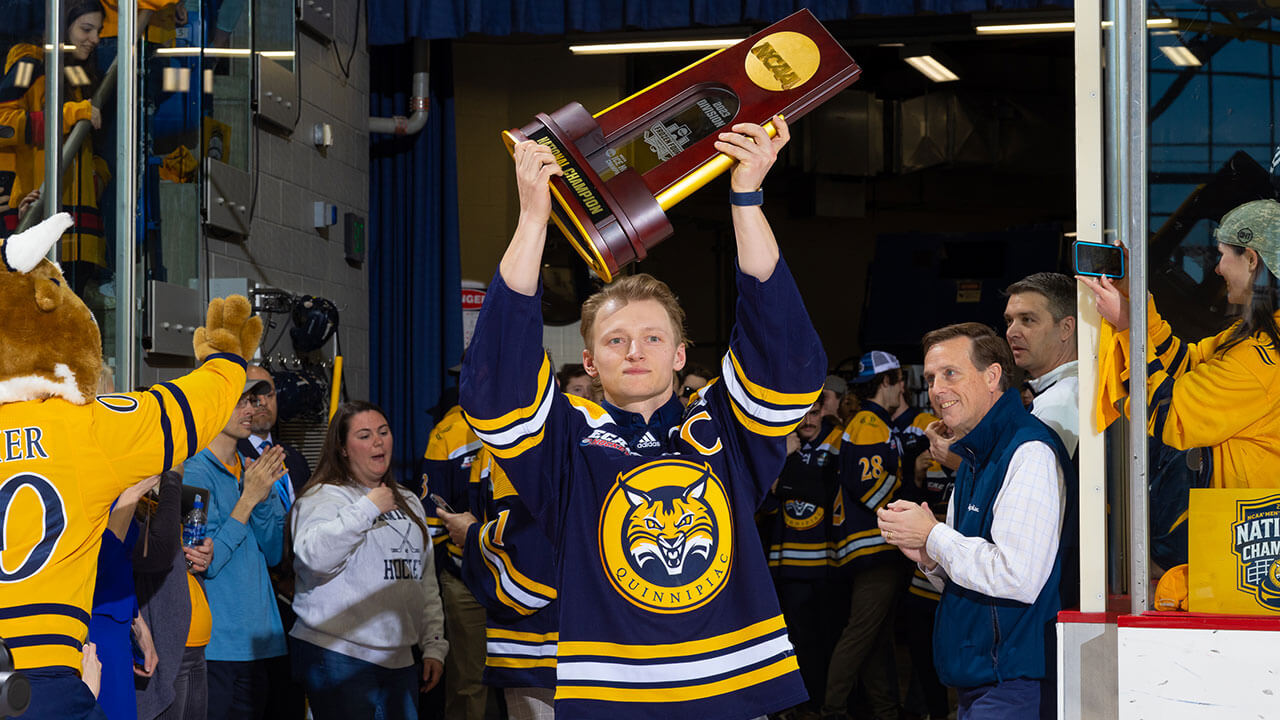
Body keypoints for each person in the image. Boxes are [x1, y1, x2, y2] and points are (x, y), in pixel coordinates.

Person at [460, 116, 825, 718]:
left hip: (735, 687)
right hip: (612, 694)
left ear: (681, 355)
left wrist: (747, 198)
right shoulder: (569, 444)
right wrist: (532, 219)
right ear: (590, 362)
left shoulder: (724, 429)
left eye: (654, 338)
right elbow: (497, 388)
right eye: (617, 340)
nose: (635, 350)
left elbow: (784, 355)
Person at [877, 322, 1075, 719]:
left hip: (1015, 683)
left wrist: (934, 535)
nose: (936, 389)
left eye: (950, 373)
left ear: (992, 376)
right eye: (931, 377)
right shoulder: (974, 456)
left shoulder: (1028, 450)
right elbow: (969, 570)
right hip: (985, 680)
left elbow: (1016, 575)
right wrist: (928, 555)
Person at [1080, 199, 1280, 488]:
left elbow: (1168, 412)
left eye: (1222, 256)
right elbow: (1185, 366)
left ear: (1251, 259)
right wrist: (1138, 304)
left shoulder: (1258, 360)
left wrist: (1127, 327)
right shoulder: (1255, 337)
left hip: (1238, 525)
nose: (1217, 269)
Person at [290, 401, 447, 720]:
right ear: (343, 449)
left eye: (383, 432)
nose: (377, 441)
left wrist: (433, 644)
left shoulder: (409, 501)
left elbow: (424, 580)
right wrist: (367, 509)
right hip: (339, 654)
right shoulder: (322, 498)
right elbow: (314, 559)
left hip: (399, 657)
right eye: (364, 435)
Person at [184, 379, 289, 720]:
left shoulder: (252, 468)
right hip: (220, 647)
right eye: (238, 401)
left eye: (252, 400)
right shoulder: (193, 472)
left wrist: (257, 495)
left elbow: (274, 552)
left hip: (264, 641)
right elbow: (204, 562)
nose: (251, 409)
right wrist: (247, 500)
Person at [0, 0, 110, 302]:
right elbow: (3, 124)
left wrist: (97, 176)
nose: (95, 39)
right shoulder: (27, 64)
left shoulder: (78, 73)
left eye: (98, 30)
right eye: (85, 29)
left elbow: (96, 146)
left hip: (78, 228)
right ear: (61, 27)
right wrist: (69, 114)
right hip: (34, 212)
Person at [822, 351, 907, 720]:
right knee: (861, 634)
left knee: (873, 637)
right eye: (898, 380)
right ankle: (833, 710)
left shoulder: (867, 421)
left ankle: (886, 710)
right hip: (874, 545)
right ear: (886, 382)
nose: (903, 387)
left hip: (865, 546)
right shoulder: (871, 421)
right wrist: (909, 500)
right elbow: (868, 485)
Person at [235, 364, 309, 720]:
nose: (261, 403)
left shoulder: (294, 458)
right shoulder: (230, 455)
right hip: (259, 593)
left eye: (268, 394)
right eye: (251, 395)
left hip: (300, 595)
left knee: (291, 695)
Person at [761, 401, 843, 717]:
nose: (807, 421)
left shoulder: (836, 441)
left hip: (827, 561)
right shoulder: (780, 447)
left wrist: (786, 477)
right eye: (801, 416)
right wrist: (783, 461)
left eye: (814, 413)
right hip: (788, 563)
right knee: (796, 638)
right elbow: (765, 500)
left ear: (824, 412)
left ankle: (825, 702)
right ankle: (801, 704)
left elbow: (827, 489)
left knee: (827, 635)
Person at [420, 401, 489, 720]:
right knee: (468, 681)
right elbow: (433, 521)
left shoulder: (543, 424)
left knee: (532, 679)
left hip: (534, 581)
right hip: (467, 577)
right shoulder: (447, 433)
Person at [1004, 272, 1079, 457]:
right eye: (1009, 321)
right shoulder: (1064, 391)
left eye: (1027, 320)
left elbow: (1046, 484)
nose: (1011, 332)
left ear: (1066, 328)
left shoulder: (1059, 401)